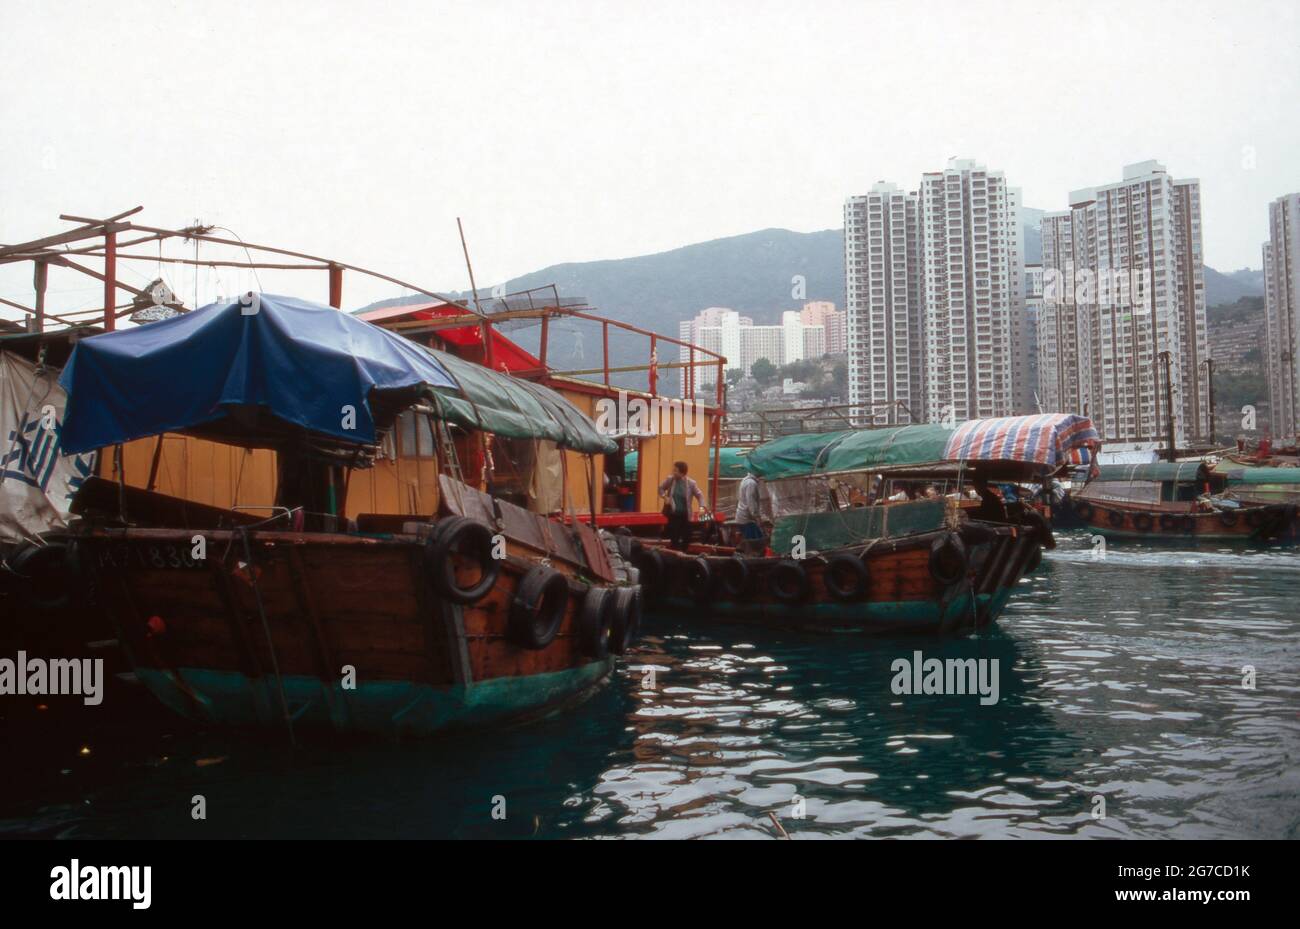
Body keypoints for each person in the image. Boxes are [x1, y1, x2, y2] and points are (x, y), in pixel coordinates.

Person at [660, 460, 705, 551]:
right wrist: (665, 497)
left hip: (685, 515)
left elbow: (700, 495)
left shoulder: (691, 483)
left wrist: (701, 508)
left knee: (687, 537)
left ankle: (684, 555)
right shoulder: (670, 480)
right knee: (674, 538)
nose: (673, 472)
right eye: (673, 470)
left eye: (675, 470)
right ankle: (674, 556)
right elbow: (660, 488)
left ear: (682, 472)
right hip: (674, 514)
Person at [733, 471, 769, 554]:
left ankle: (747, 555)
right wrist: (757, 517)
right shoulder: (751, 483)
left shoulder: (745, 480)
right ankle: (752, 559)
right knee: (755, 542)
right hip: (747, 519)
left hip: (743, 517)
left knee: (751, 540)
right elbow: (751, 502)